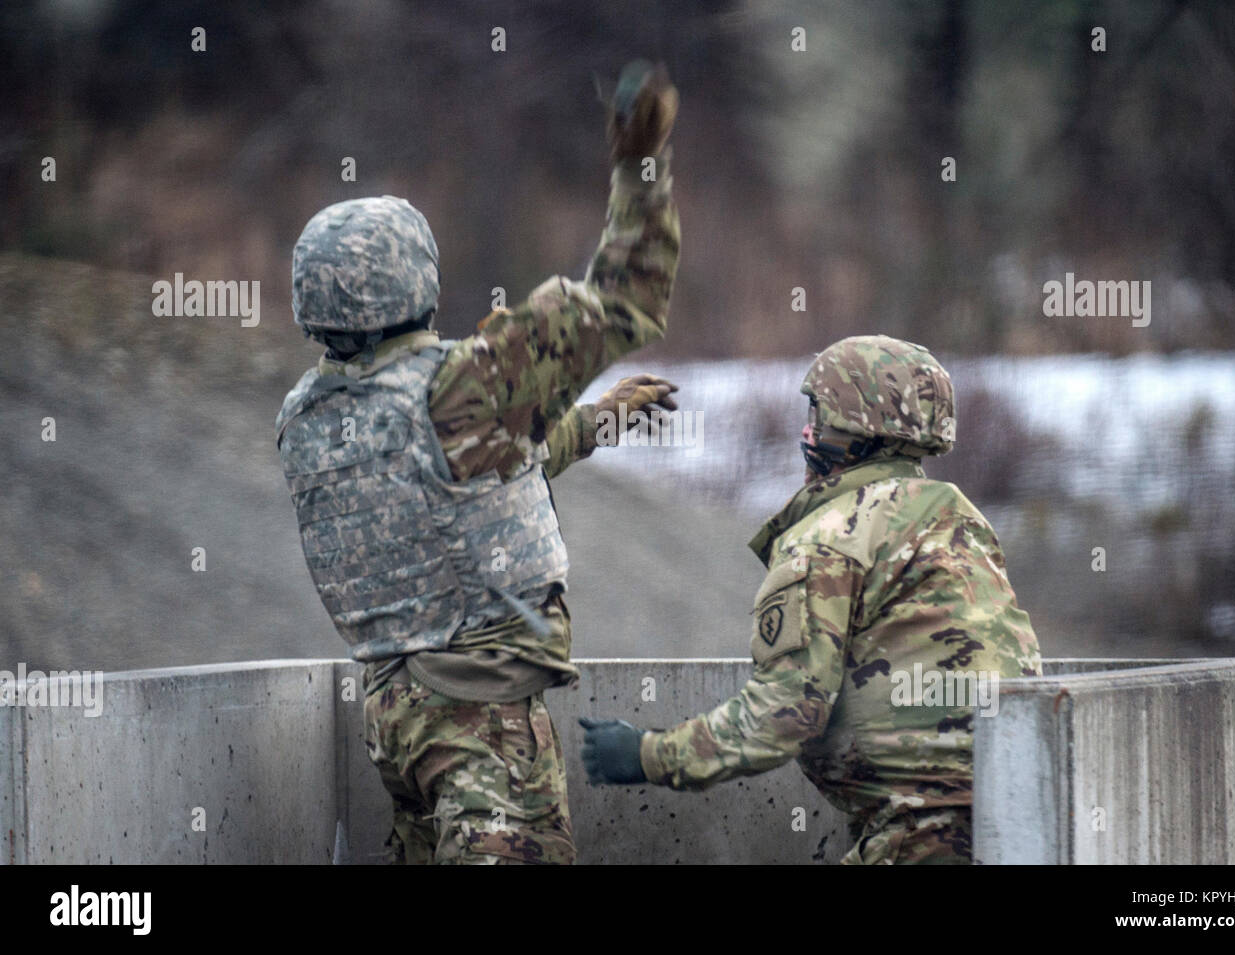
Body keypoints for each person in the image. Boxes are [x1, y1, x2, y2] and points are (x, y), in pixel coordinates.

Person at [275, 61, 681, 864]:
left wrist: (594, 422)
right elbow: (629, 300)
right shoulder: (465, 385)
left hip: (399, 720)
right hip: (480, 721)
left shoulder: (308, 417)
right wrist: (642, 164)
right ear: (417, 278)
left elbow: (464, 480)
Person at [580, 335, 1042, 864]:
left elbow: (784, 714)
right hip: (1018, 819)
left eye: (819, 415)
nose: (808, 431)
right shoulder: (960, 520)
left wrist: (646, 755)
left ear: (852, 431)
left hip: (924, 834)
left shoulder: (832, 535)